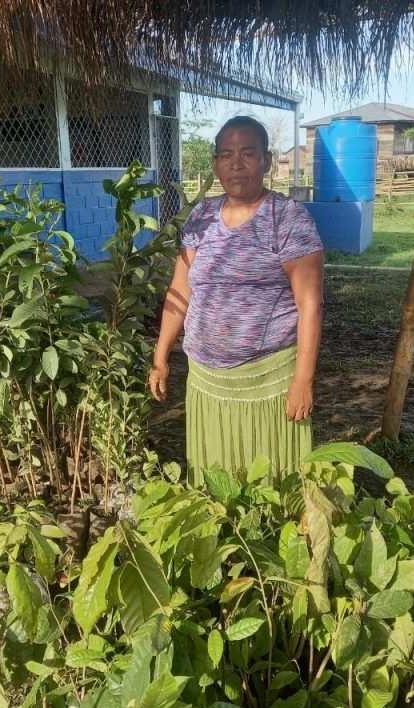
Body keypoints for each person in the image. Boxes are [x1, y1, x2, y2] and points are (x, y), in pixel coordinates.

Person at [149, 116, 324, 485]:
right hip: (206, 379)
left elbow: (310, 305)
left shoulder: (288, 219)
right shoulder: (201, 217)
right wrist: (160, 356)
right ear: (215, 163)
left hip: (270, 378)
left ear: (267, 160)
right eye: (227, 154)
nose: (236, 163)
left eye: (248, 153)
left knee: (274, 479)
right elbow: (180, 289)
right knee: (216, 475)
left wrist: (303, 380)